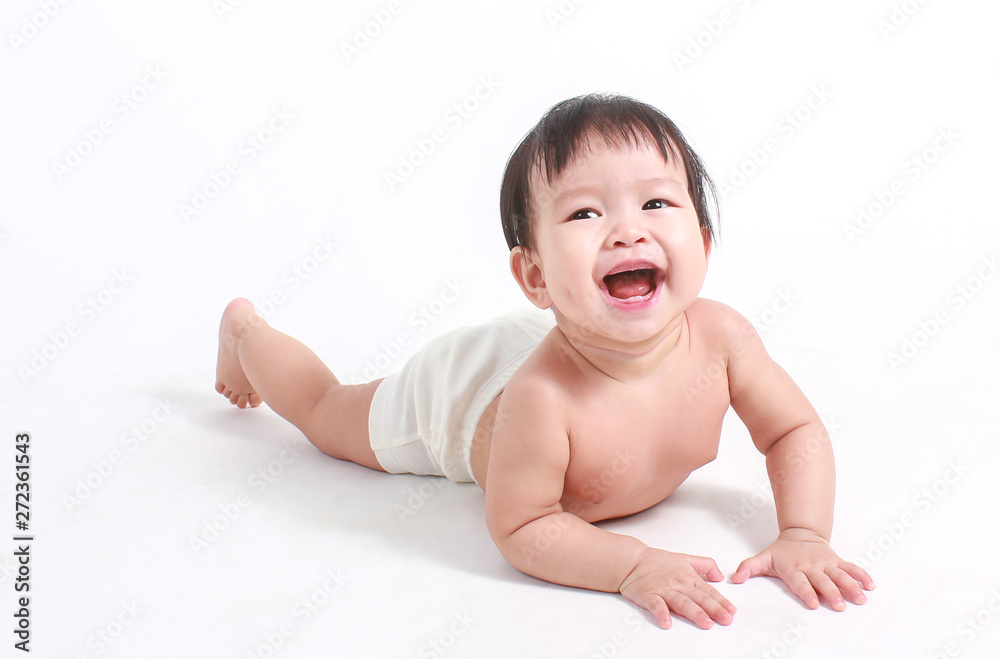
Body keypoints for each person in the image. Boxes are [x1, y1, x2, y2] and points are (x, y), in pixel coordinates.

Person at [215, 93, 874, 629]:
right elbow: (523, 523)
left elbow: (794, 430)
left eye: (655, 203)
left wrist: (805, 533)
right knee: (328, 412)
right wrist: (630, 564)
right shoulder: (541, 398)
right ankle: (247, 333)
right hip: (466, 397)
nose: (628, 230)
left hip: (567, 328)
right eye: (585, 212)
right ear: (534, 276)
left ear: (702, 243)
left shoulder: (724, 338)